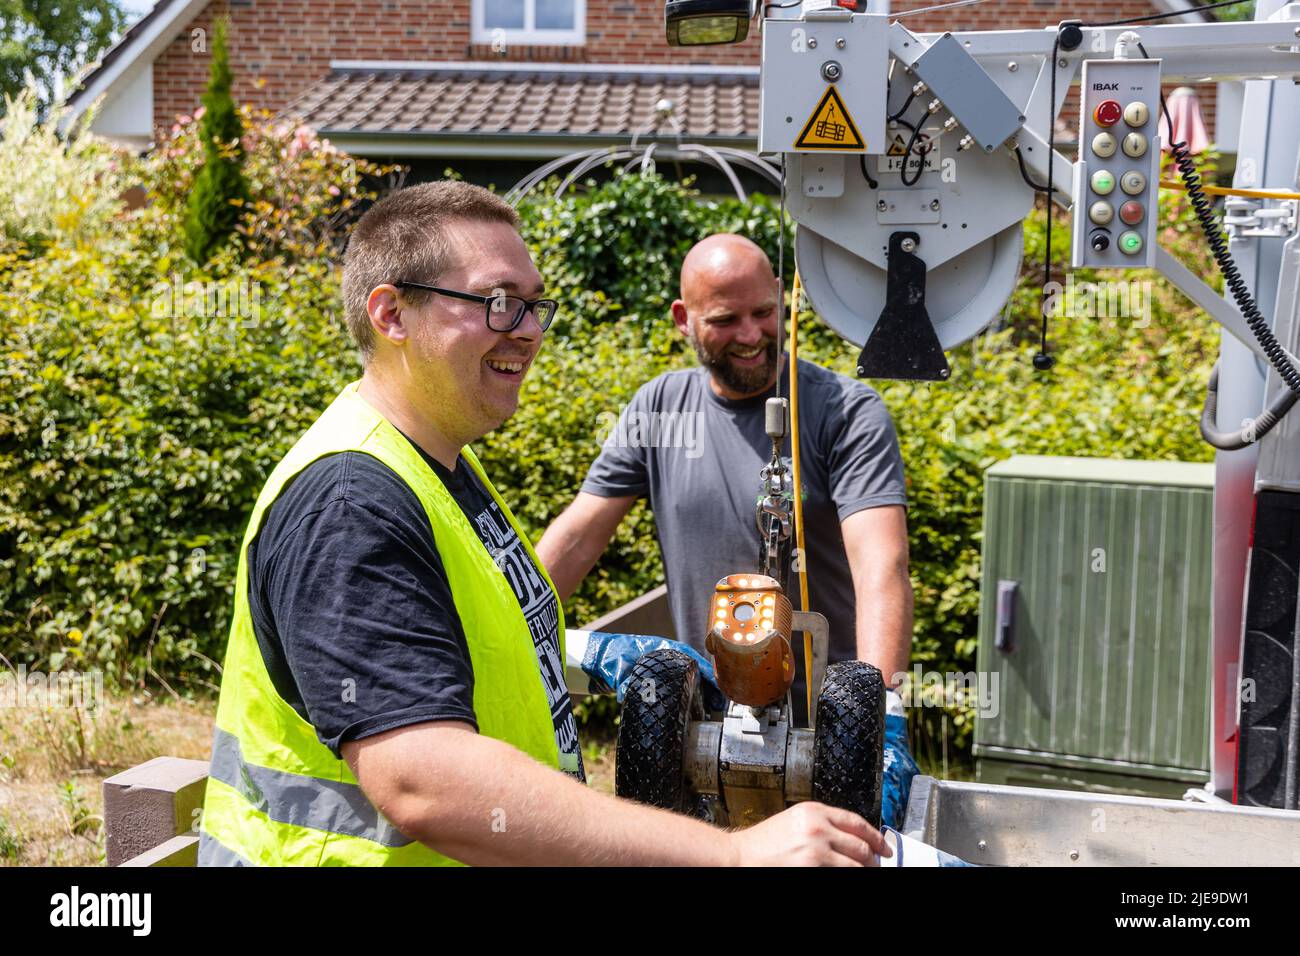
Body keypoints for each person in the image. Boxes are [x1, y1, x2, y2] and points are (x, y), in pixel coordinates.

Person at [196, 182, 891, 866]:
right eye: (499, 303)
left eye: (534, 307)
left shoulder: (443, 469)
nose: (528, 331)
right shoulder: (351, 505)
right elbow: (422, 782)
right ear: (392, 315)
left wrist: (877, 704)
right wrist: (730, 855)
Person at [537, 234, 919, 826]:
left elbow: (881, 565)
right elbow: (579, 536)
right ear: (683, 320)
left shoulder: (845, 411)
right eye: (725, 319)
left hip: (833, 741)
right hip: (705, 735)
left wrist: (879, 714)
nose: (749, 335)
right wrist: (508, 627)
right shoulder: (660, 408)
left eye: (764, 313)